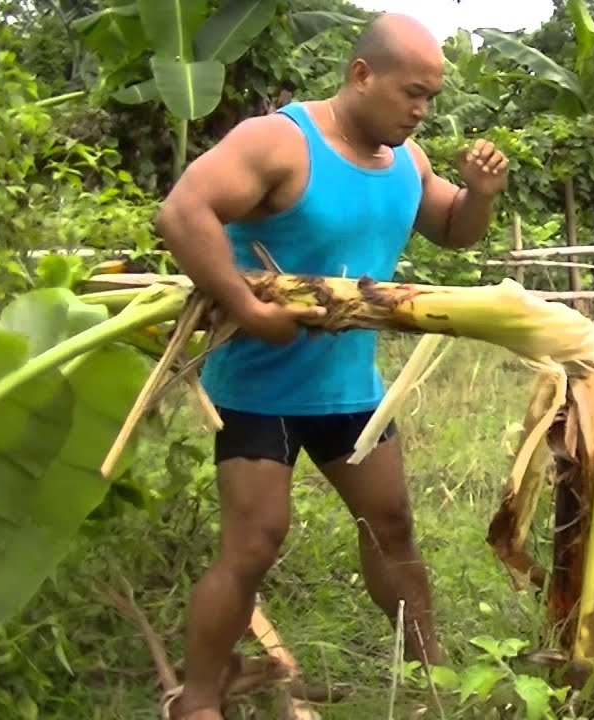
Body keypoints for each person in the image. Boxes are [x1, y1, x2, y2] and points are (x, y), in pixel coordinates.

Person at [152, 13, 508, 720]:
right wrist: (249, 311)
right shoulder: (281, 142)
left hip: (350, 391)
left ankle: (432, 677)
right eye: (412, 92)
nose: (421, 110)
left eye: (431, 98)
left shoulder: (407, 162)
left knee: (393, 523)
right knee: (254, 544)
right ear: (360, 75)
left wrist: (480, 196)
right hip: (259, 389)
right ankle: (195, 703)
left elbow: (451, 231)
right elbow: (183, 211)